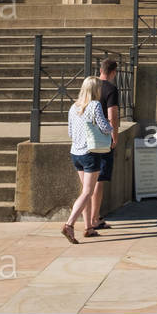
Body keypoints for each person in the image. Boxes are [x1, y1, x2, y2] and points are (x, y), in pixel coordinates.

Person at [63, 76, 114, 243]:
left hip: (75, 153)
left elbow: (70, 132)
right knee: (87, 192)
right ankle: (69, 225)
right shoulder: (95, 105)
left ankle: (88, 228)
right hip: (90, 153)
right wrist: (111, 125)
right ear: (95, 90)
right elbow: (105, 128)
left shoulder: (73, 107)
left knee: (84, 191)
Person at [88, 56, 121, 232]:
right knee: (99, 179)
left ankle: (92, 218)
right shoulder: (111, 88)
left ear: (101, 70)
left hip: (86, 137)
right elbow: (112, 115)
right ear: (113, 72)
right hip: (102, 138)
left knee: (88, 178)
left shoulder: (90, 86)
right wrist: (114, 136)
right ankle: (95, 217)